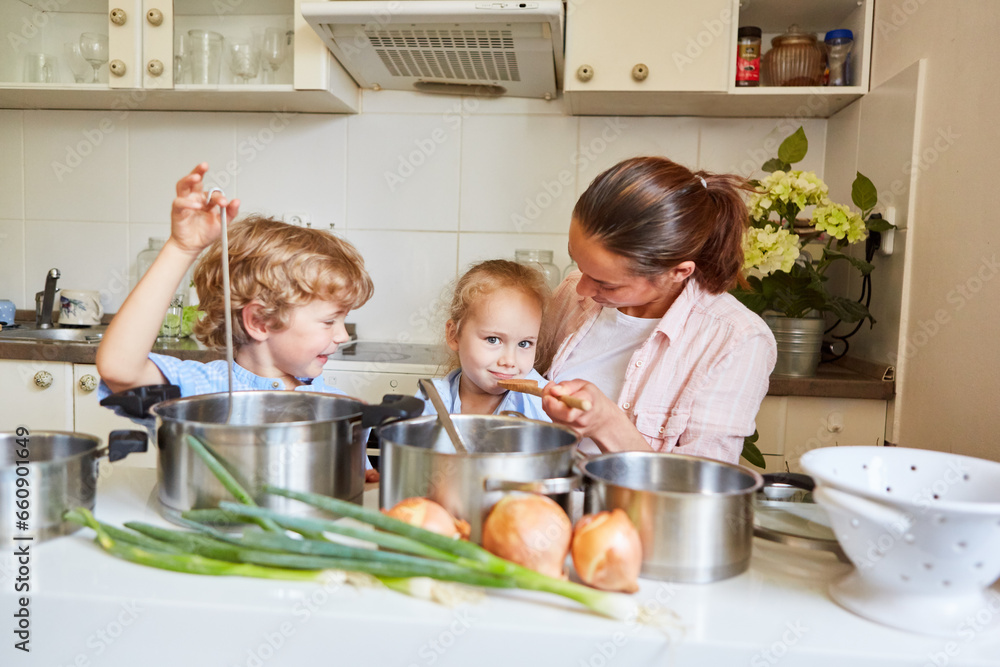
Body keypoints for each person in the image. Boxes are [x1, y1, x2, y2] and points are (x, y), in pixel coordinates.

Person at [96, 163, 381, 481]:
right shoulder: (199, 392)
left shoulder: (337, 406)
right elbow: (119, 368)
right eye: (330, 321)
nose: (342, 336)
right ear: (260, 321)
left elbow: (354, 485)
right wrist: (182, 248)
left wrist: (368, 483)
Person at [538, 157, 777, 464]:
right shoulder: (572, 294)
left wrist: (607, 425)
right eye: (577, 262)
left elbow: (698, 490)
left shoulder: (736, 339)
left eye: (606, 283)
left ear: (678, 272)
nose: (581, 288)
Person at [422, 259, 551, 418]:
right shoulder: (432, 400)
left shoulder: (543, 404)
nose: (509, 361)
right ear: (454, 335)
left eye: (524, 344)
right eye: (493, 340)